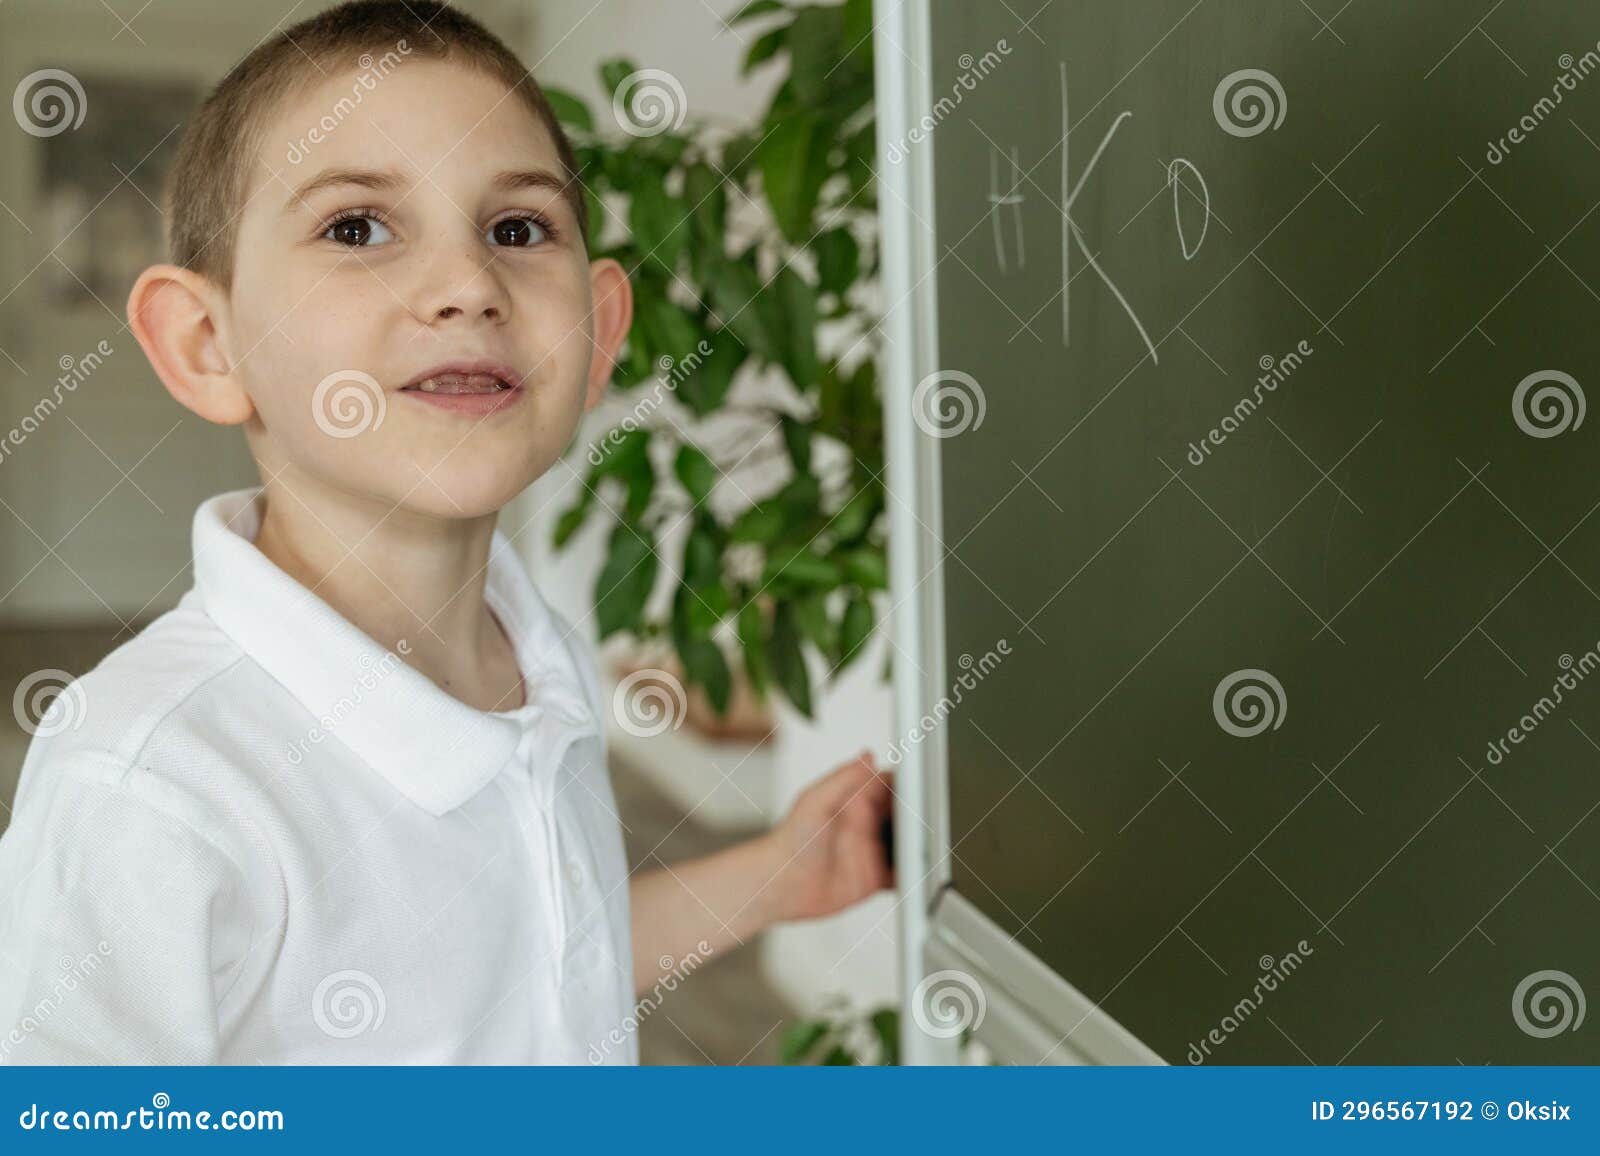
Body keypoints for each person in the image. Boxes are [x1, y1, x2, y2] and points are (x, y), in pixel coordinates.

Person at [0, 0, 892, 1063]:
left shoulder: (535, 650)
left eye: (518, 230)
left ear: (601, 332)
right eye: (357, 228)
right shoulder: (149, 782)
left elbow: (529, 972)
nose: (469, 286)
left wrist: (776, 875)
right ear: (205, 343)